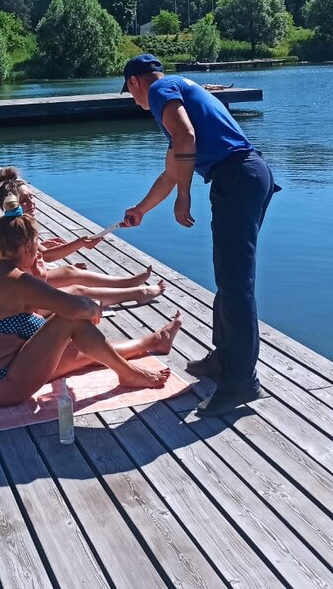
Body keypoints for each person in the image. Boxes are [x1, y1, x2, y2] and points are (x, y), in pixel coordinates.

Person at [121, 53, 279, 416]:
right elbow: (174, 166)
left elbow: (186, 138)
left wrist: (184, 196)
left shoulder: (160, 89)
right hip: (243, 176)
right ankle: (224, 359)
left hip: (238, 177)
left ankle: (241, 381)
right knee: (228, 278)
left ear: (135, 83)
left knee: (236, 283)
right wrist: (141, 210)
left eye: (131, 95)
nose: (136, 102)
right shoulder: (177, 89)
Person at [0, 193, 181, 406]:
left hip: (3, 374)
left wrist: (40, 278)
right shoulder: (17, 280)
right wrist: (94, 308)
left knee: (86, 352)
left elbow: (24, 314)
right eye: (37, 243)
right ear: (28, 248)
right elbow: (78, 309)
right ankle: (129, 374)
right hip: (3, 386)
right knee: (72, 320)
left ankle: (153, 342)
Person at [0, 167, 163, 305]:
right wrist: (80, 243)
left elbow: (40, 252)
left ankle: (125, 283)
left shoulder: (14, 224)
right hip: (9, 297)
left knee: (70, 271)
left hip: (18, 285)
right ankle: (138, 293)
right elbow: (47, 257)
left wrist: (78, 243)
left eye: (31, 197)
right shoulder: (12, 229)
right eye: (24, 201)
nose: (31, 203)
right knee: (76, 291)